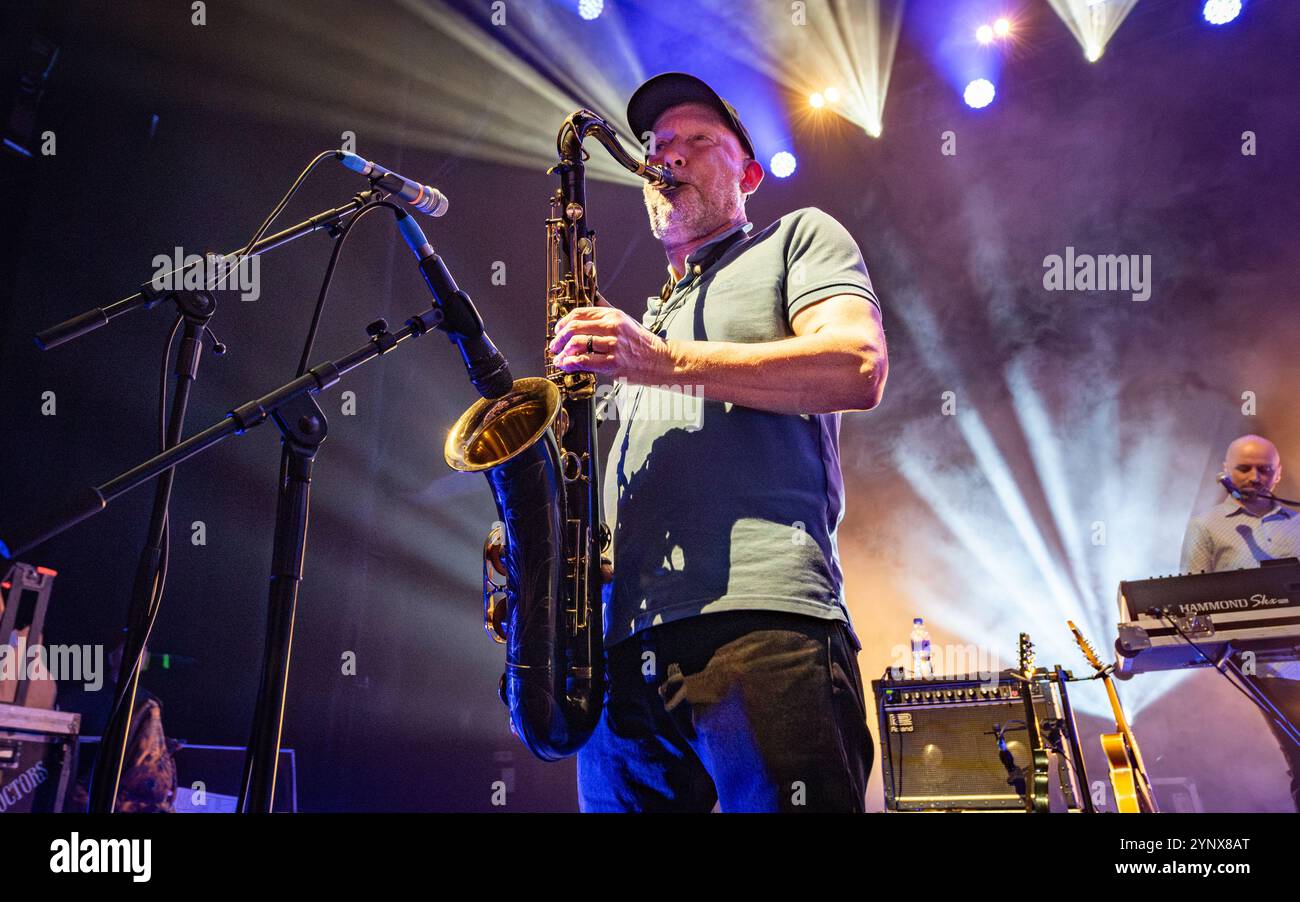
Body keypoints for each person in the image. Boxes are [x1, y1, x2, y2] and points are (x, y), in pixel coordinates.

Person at [548, 73, 888, 812]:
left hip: (763, 622)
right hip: (622, 658)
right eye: (658, 145)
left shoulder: (797, 237)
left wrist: (657, 362)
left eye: (697, 141)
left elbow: (857, 368)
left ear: (750, 173)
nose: (668, 156)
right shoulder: (649, 316)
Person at [1180, 434, 1300, 810]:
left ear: (1277, 475)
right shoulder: (1207, 526)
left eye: (1264, 469)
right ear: (1225, 473)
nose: (1254, 476)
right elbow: (1189, 598)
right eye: (1244, 468)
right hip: (1257, 661)